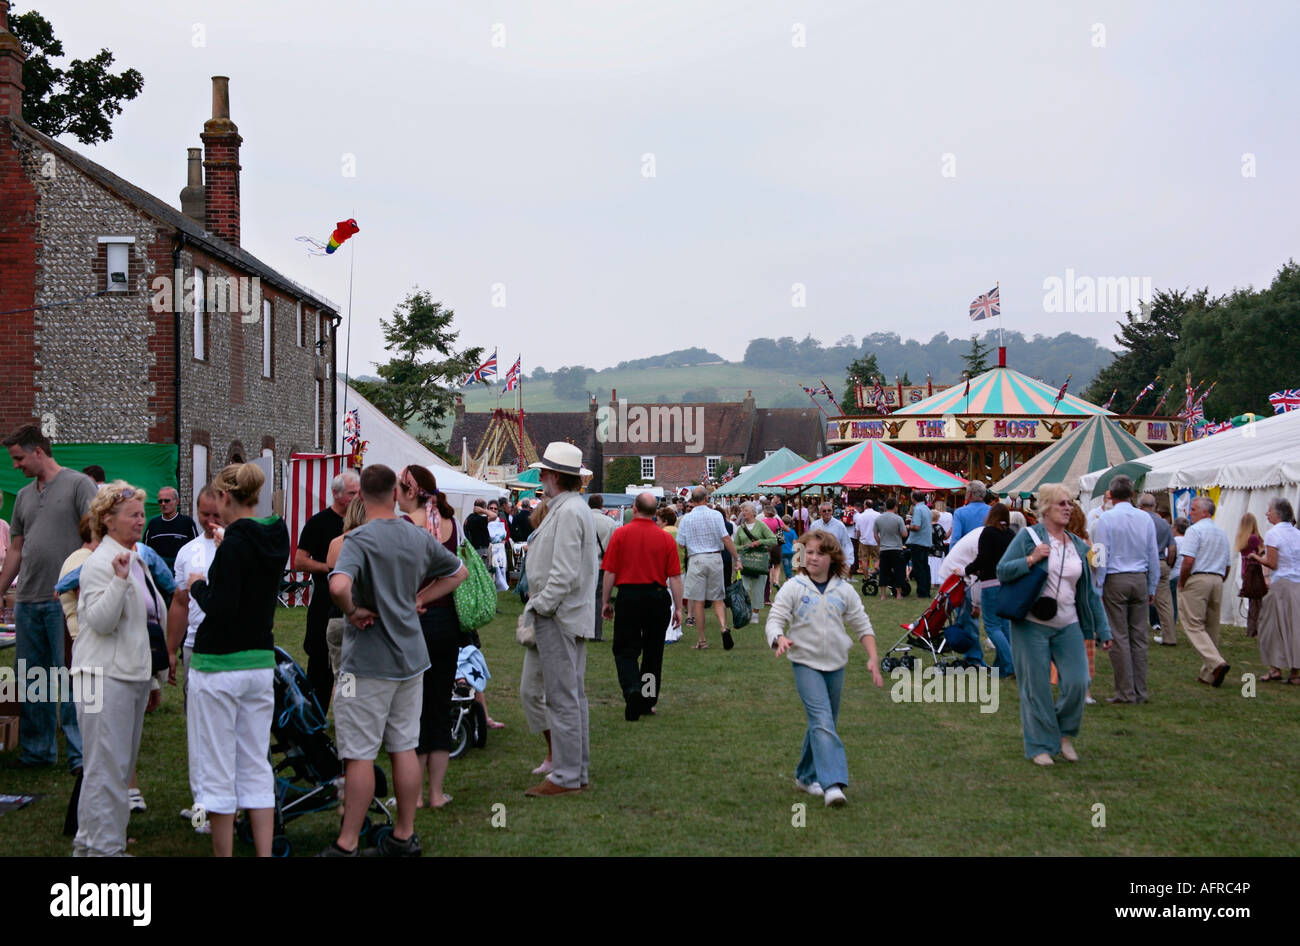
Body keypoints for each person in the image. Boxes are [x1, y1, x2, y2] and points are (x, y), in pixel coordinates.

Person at [324, 464, 467, 856]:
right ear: (393, 494)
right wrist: (418, 600)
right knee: (404, 746)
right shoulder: (416, 535)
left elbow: (337, 584)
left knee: (359, 754)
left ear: (360, 497)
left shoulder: (358, 539)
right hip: (411, 659)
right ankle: (404, 835)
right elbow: (459, 571)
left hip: (366, 661)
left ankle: (347, 841)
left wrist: (352, 610)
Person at [186, 463, 290, 856]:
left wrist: (198, 586)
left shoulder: (234, 544)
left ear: (226, 497)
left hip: (218, 667)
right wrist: (229, 540)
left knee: (217, 770)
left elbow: (222, 607)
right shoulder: (274, 534)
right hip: (259, 661)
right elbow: (250, 555)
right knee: (255, 764)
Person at [71, 481, 164, 855]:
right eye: (132, 515)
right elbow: (102, 621)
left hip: (128, 676)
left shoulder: (133, 557)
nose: (140, 520)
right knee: (105, 770)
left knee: (117, 770)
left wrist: (152, 680)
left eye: (143, 513)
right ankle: (104, 848)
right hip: (100, 678)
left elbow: (143, 627)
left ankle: (92, 844)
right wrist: (120, 581)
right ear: (108, 520)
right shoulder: (99, 564)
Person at [1, 423, 96, 771]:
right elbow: (16, 548)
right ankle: (37, 751)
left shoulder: (78, 484)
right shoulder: (25, 496)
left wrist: (78, 582)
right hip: (27, 600)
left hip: (66, 601)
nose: (16, 465)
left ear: (38, 451)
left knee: (72, 676)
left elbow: (95, 537)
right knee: (30, 679)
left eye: (18, 458)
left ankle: (80, 755)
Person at [996, 483, 1112, 765]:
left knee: (1077, 682)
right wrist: (1031, 559)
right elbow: (1002, 570)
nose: (1067, 507)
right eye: (1061, 503)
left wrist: (1103, 629)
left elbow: (1090, 592)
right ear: (1046, 507)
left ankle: (1062, 734)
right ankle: (1039, 746)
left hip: (1069, 623)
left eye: (1069, 503)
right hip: (1031, 623)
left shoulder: (1080, 545)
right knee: (1036, 687)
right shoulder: (1027, 537)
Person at [765, 530, 882, 807]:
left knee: (823, 722)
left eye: (820, 552)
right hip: (805, 662)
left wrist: (873, 658)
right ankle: (833, 784)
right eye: (809, 552)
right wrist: (778, 638)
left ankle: (806, 776)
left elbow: (862, 624)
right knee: (822, 720)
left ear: (833, 557)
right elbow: (775, 620)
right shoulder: (794, 587)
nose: (814, 557)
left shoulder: (844, 590)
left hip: (836, 664)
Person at [520, 443, 598, 796]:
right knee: (571, 697)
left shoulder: (568, 511)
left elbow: (563, 573)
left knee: (563, 698)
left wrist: (541, 606)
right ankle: (574, 772)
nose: (540, 478)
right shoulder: (569, 508)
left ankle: (566, 777)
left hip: (559, 616)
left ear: (554, 476)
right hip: (565, 614)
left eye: (543, 473)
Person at [397, 465, 464, 810]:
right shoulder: (451, 524)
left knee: (412, 709)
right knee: (439, 705)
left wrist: (417, 598)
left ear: (411, 490)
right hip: (447, 621)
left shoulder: (408, 526)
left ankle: (416, 794)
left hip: (416, 619)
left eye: (399, 485)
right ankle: (436, 793)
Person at [601, 492, 683, 721]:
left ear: (634, 509)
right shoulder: (666, 539)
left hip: (629, 596)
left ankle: (632, 689)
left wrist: (606, 601)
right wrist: (678, 607)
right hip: (657, 597)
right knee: (653, 652)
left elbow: (610, 571)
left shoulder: (621, 534)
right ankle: (647, 700)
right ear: (655, 512)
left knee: (625, 649)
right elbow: (675, 577)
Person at [1090, 474, 1160, 704]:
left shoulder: (1106, 519)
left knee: (1118, 636)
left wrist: (1098, 586)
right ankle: (1140, 690)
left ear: (1110, 495)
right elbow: (1152, 554)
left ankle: (1125, 691)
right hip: (1139, 577)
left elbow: (1101, 554)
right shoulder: (1145, 518)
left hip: (1115, 578)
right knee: (1139, 636)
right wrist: (1152, 585)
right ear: (1132, 494)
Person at [294, 469, 360, 713]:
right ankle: (316, 714)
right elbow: (300, 560)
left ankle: (347, 711)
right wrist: (330, 569)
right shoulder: (319, 523)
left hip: (353, 602)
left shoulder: (362, 524)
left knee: (348, 664)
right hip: (324, 600)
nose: (356, 497)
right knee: (320, 660)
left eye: (359, 493)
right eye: (352, 493)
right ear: (336, 494)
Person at [1175, 496, 1232, 687]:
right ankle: (1209, 673)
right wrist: (1220, 579)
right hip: (1217, 578)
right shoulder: (1221, 533)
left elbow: (1188, 560)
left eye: (1193, 509)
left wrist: (1182, 582)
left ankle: (1216, 663)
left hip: (1198, 577)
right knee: (1212, 626)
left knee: (1193, 624)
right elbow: (1228, 564)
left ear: (1205, 512)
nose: (1190, 513)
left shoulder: (1194, 530)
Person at [677, 486, 740, 650]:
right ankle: (724, 627)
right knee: (718, 599)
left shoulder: (686, 519)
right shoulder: (716, 515)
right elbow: (725, 538)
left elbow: (681, 544)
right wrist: (737, 558)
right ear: (706, 498)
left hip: (696, 559)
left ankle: (702, 639)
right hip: (715, 557)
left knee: (698, 601)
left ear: (692, 500)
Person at [518, 499, 555, 776]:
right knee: (533, 691)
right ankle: (556, 753)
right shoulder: (539, 541)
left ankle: (559, 755)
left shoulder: (554, 542)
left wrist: (540, 604)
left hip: (552, 619)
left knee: (543, 692)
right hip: (542, 616)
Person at [1251, 498, 1300, 684]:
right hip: (1297, 583)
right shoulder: (1297, 533)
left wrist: (1256, 557)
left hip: (1281, 584)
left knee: (1271, 626)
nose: (1266, 514)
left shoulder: (1273, 534)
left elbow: (1273, 563)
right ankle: (1295, 672)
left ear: (1278, 514)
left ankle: (1275, 668)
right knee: (1295, 627)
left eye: (1269, 511)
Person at [969, 503, 1016, 677]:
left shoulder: (988, 533)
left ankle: (1011, 664)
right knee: (1004, 627)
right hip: (1008, 583)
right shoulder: (1011, 534)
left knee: (992, 626)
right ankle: (1001, 668)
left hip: (990, 582)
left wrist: (967, 569)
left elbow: (983, 558)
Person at [1138, 493, 1177, 644]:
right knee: (1166, 603)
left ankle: (1137, 634)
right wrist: (1168, 562)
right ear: (1154, 506)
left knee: (1138, 600)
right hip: (1161, 562)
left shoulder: (1139, 521)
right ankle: (1170, 636)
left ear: (1140, 506)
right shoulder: (1164, 524)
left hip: (1142, 564)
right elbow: (1172, 548)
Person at [737, 501, 779, 623]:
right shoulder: (741, 528)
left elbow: (775, 539)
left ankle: (755, 615)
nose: (743, 513)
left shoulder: (763, 524)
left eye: (746, 510)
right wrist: (742, 547)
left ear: (754, 513)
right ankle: (746, 612)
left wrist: (759, 542)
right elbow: (735, 545)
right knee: (743, 588)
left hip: (760, 559)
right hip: (745, 561)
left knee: (758, 588)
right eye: (742, 511)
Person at [142, 486, 198, 572]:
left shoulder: (187, 523)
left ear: (177, 501)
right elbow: (145, 552)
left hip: (180, 574)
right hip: (158, 575)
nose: (163, 504)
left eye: (167, 501)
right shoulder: (153, 524)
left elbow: (195, 549)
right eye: (160, 501)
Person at [588, 495, 617, 642]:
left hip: (584, 565)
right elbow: (614, 547)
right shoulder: (610, 523)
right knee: (598, 599)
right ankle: (595, 633)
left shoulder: (583, 520)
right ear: (601, 505)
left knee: (581, 597)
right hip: (601, 565)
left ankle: (580, 630)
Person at [1235, 512, 1267, 638]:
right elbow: (1258, 554)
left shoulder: (1242, 537)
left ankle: (1252, 628)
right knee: (1257, 602)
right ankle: (1255, 630)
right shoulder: (1254, 538)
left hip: (1246, 570)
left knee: (1253, 600)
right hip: (1254, 570)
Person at [876, 497, 908, 598]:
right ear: (895, 507)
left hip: (884, 548)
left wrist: (880, 543)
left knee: (884, 572)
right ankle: (898, 594)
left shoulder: (879, 518)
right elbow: (904, 534)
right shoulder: (898, 519)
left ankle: (883, 595)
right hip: (897, 548)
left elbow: (875, 534)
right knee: (899, 571)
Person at [905, 491, 933, 598]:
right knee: (925, 567)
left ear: (913, 498)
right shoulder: (926, 508)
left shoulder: (917, 509)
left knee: (919, 568)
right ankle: (926, 589)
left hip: (918, 542)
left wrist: (908, 527)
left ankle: (922, 591)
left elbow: (916, 527)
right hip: (925, 541)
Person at [814, 502, 855, 575]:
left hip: (836, 562)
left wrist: (848, 563)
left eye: (829, 510)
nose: (827, 512)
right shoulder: (814, 525)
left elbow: (847, 544)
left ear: (832, 511)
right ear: (820, 512)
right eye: (824, 511)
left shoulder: (840, 526)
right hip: (819, 562)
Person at [949, 481, 989, 547]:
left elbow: (956, 538)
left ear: (969, 494)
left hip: (966, 552)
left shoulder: (959, 512)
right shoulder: (992, 511)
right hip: (986, 551)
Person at [487, 499, 510, 592]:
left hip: (499, 548)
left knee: (499, 567)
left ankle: (499, 584)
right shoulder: (484, 520)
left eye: (495, 509)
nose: (493, 510)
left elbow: (507, 534)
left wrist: (505, 540)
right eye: (491, 508)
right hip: (488, 547)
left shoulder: (502, 521)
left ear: (498, 510)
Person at [464, 499, 492, 569]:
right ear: (484, 507)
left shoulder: (469, 518)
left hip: (472, 549)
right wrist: (483, 511)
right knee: (483, 570)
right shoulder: (479, 519)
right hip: (480, 550)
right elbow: (494, 516)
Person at [857, 500, 880, 576]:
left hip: (864, 540)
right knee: (877, 558)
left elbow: (858, 531)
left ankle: (866, 577)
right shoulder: (878, 515)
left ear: (865, 506)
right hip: (875, 540)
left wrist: (859, 539)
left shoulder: (860, 516)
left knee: (864, 559)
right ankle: (875, 572)